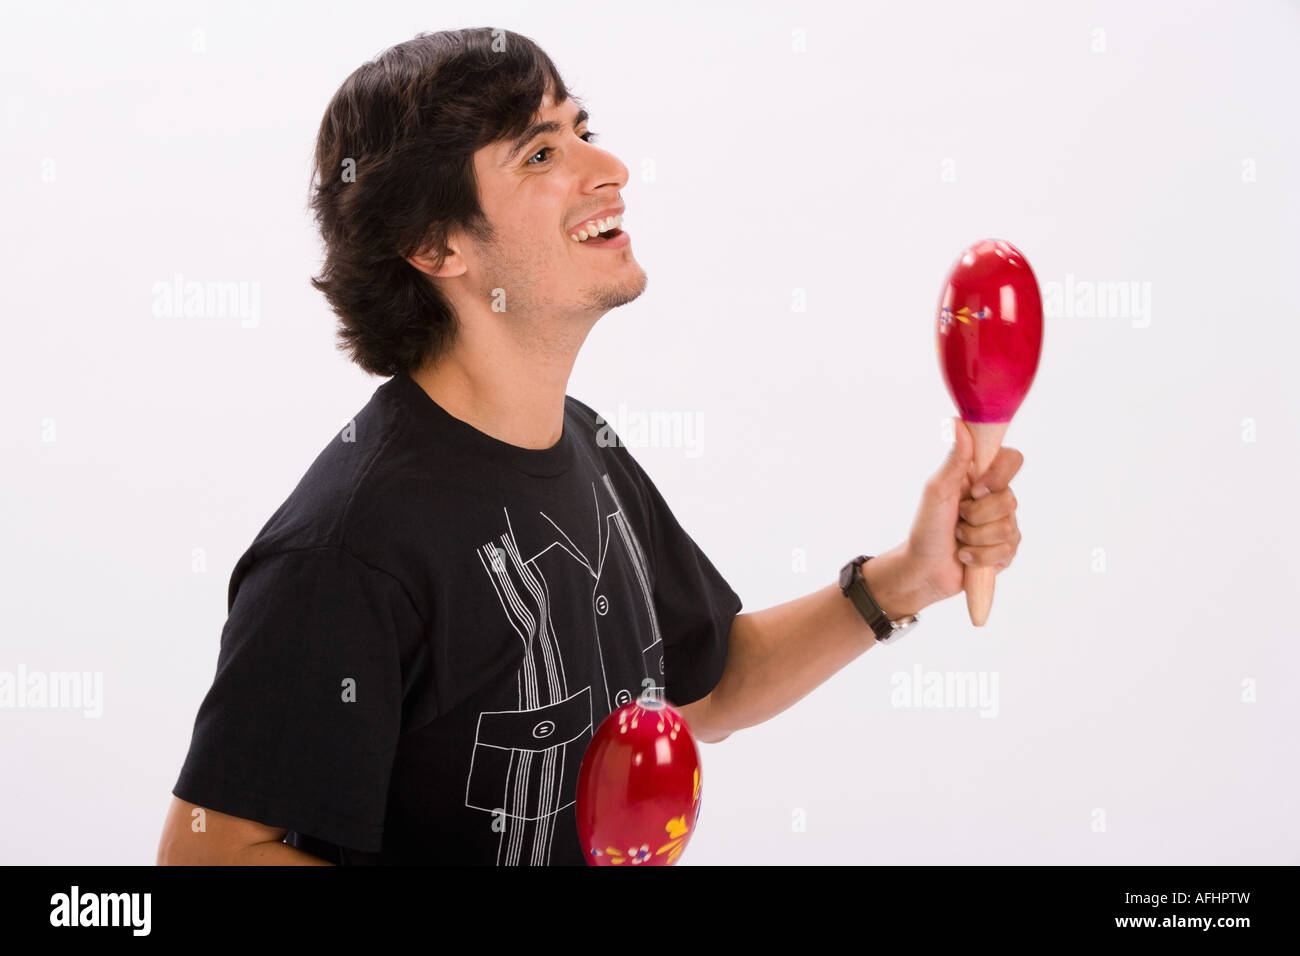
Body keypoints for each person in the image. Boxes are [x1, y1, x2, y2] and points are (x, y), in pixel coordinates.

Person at [156, 27, 1023, 866]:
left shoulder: (585, 446)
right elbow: (209, 857)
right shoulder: (348, 549)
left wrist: (908, 575)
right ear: (432, 244)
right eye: (540, 154)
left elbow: (710, 687)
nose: (609, 171)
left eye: (582, 131)